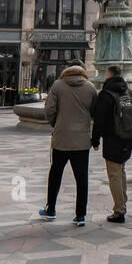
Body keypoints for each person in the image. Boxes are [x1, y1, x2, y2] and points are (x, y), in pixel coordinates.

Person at [39, 61, 97, 227]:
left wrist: (56, 124)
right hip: (81, 140)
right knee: (82, 178)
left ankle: (51, 210)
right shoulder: (90, 87)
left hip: (61, 138)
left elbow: (49, 109)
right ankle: (80, 215)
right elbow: (95, 111)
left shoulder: (58, 85)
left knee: (55, 173)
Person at [90, 66, 132, 223]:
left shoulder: (106, 95)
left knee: (114, 174)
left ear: (109, 75)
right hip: (127, 137)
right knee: (121, 171)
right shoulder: (130, 92)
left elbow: (99, 120)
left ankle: (119, 210)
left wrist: (95, 140)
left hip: (112, 139)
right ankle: (123, 203)